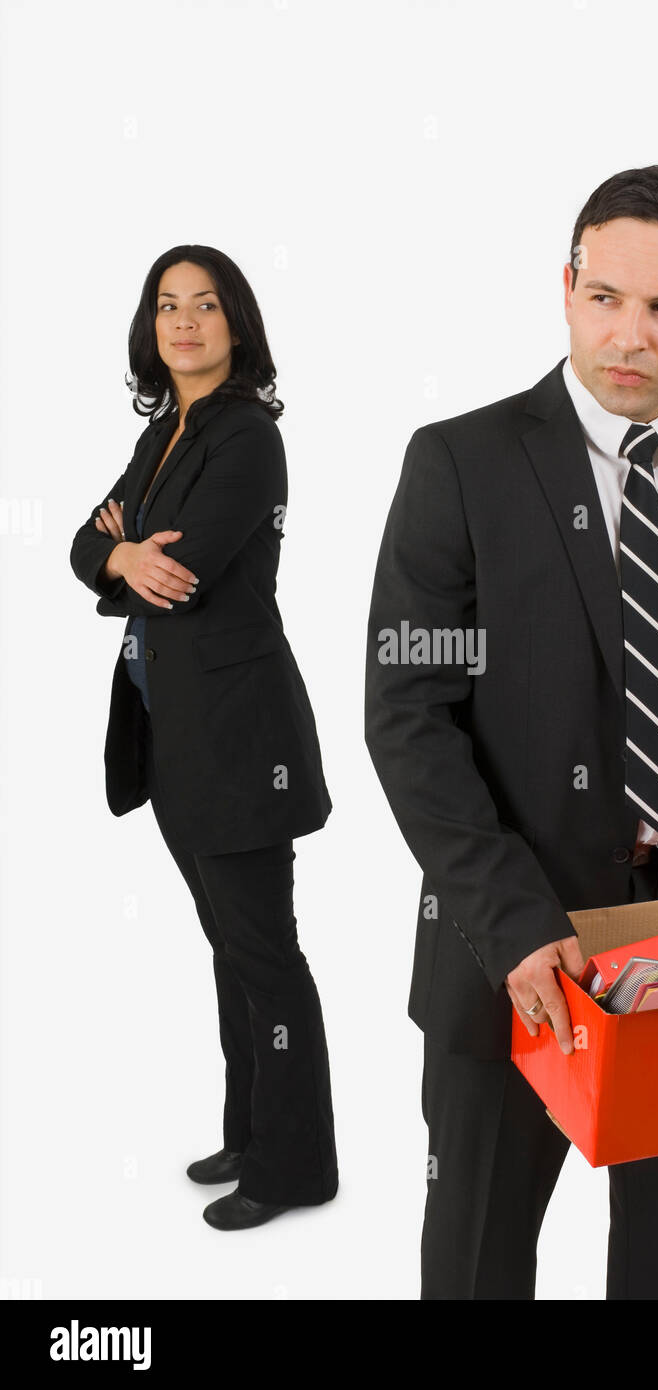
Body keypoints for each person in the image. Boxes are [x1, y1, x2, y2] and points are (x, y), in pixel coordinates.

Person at [364, 165, 658, 1298]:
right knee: (478, 1265)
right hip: (514, 957)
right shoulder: (460, 464)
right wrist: (513, 920)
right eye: (602, 297)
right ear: (566, 287)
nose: (625, 334)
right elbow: (409, 714)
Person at [70, 246, 338, 1230]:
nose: (184, 321)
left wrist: (128, 548)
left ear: (236, 324)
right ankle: (250, 1132)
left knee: (264, 955)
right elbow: (82, 546)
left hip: (239, 740)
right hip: (174, 738)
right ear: (151, 327)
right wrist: (121, 550)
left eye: (206, 305)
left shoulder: (247, 437)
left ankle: (294, 1166)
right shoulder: (166, 433)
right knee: (229, 948)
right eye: (167, 306)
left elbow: (192, 567)